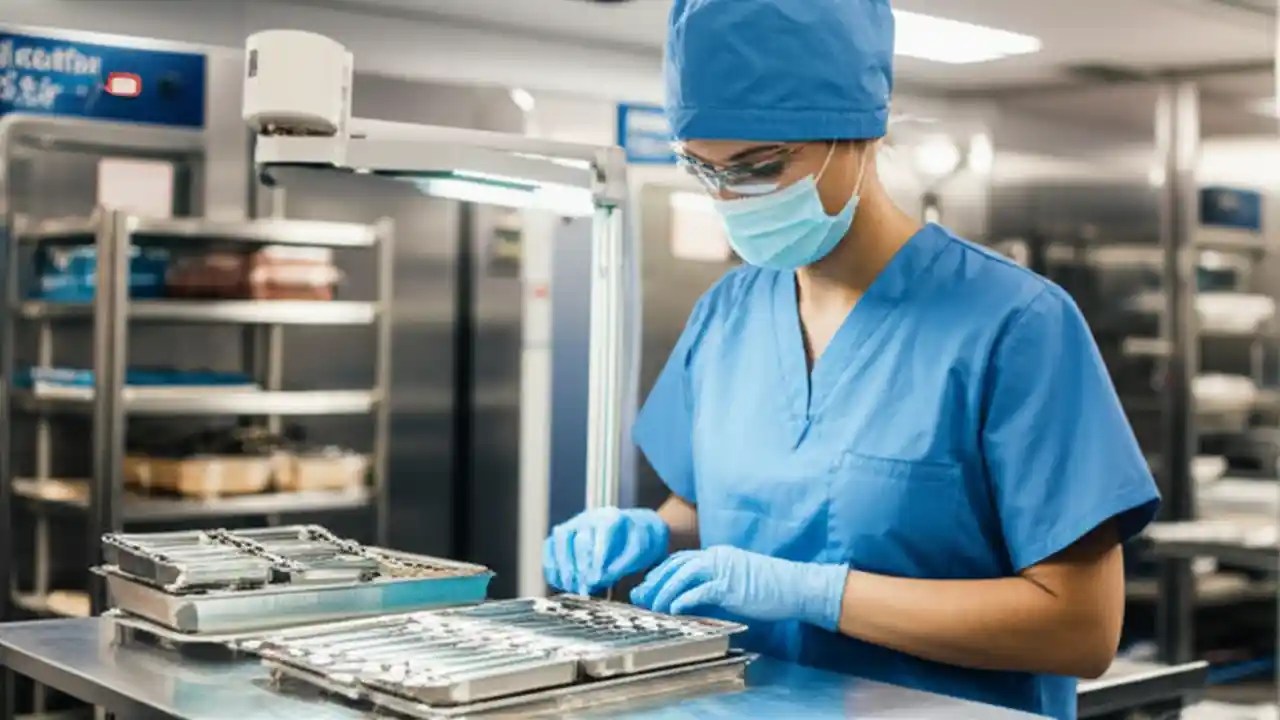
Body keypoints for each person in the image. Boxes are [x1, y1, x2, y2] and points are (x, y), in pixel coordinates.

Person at [543, 0, 1160, 717]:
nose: (731, 197)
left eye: (759, 166)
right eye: (703, 169)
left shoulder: (1016, 324)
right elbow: (721, 508)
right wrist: (653, 532)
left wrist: (818, 593)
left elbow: (1079, 628)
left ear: (862, 132)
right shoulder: (728, 313)